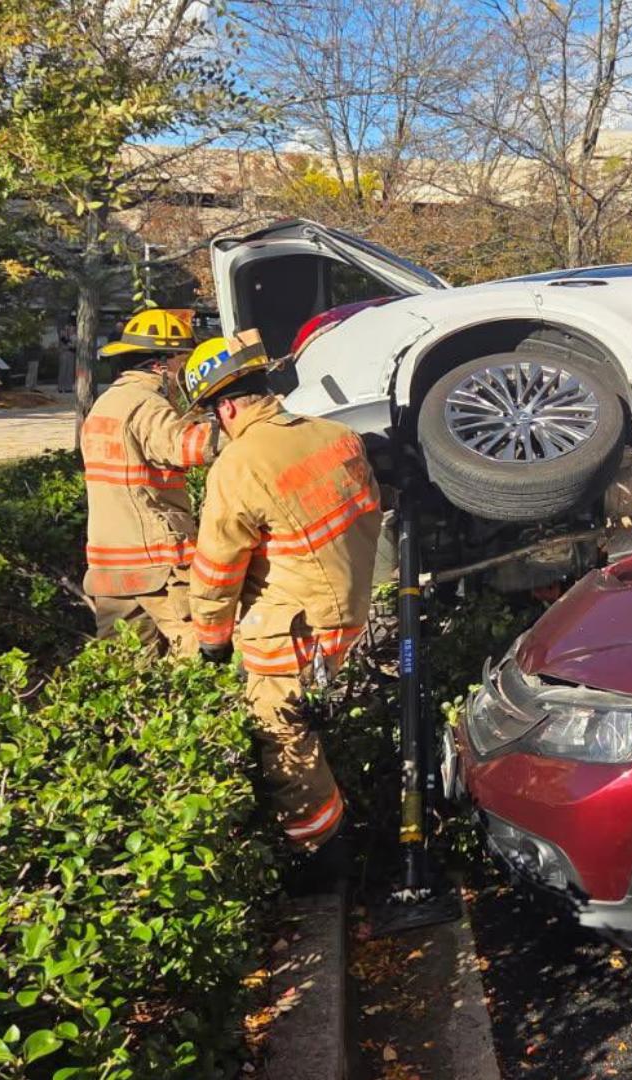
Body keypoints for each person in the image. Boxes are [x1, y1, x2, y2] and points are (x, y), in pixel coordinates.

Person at [183, 330, 381, 862]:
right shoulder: (336, 435)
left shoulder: (239, 464)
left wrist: (211, 641)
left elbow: (218, 568)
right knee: (315, 724)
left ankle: (319, 851)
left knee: (286, 744)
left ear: (224, 407)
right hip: (348, 608)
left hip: (292, 626)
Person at [80, 308, 217, 655]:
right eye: (181, 363)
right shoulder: (147, 404)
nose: (183, 373)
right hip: (156, 561)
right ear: (161, 364)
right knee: (200, 651)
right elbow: (186, 447)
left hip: (111, 564)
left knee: (126, 666)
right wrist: (244, 427)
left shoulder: (105, 405)